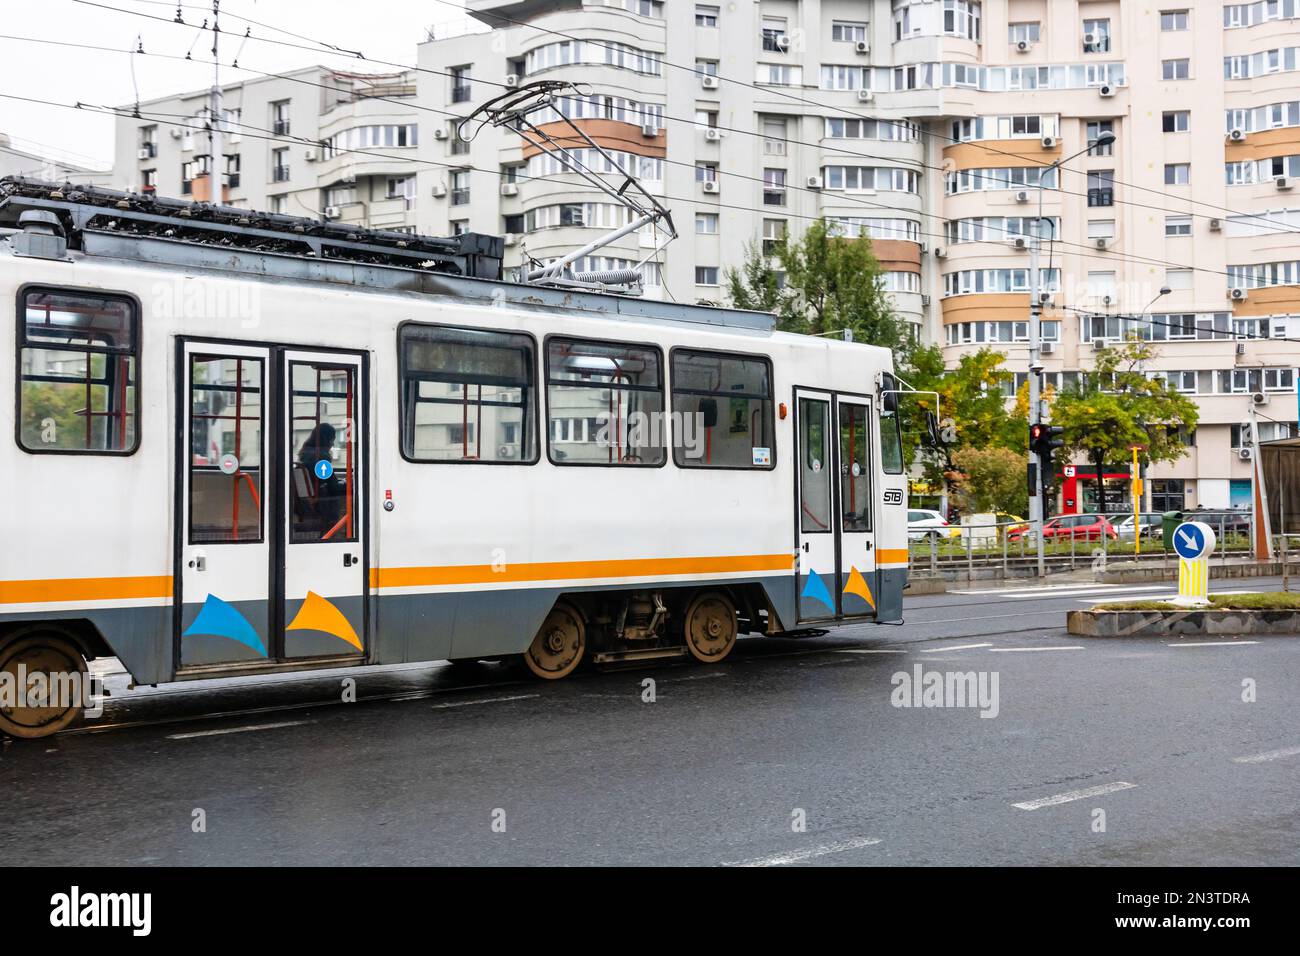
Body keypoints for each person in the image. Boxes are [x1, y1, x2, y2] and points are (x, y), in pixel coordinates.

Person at [295, 423, 343, 536]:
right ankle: (337, 532)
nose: (332, 444)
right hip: (320, 504)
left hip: (306, 503)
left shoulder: (305, 453)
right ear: (327, 439)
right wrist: (348, 484)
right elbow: (333, 486)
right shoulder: (321, 456)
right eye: (332, 440)